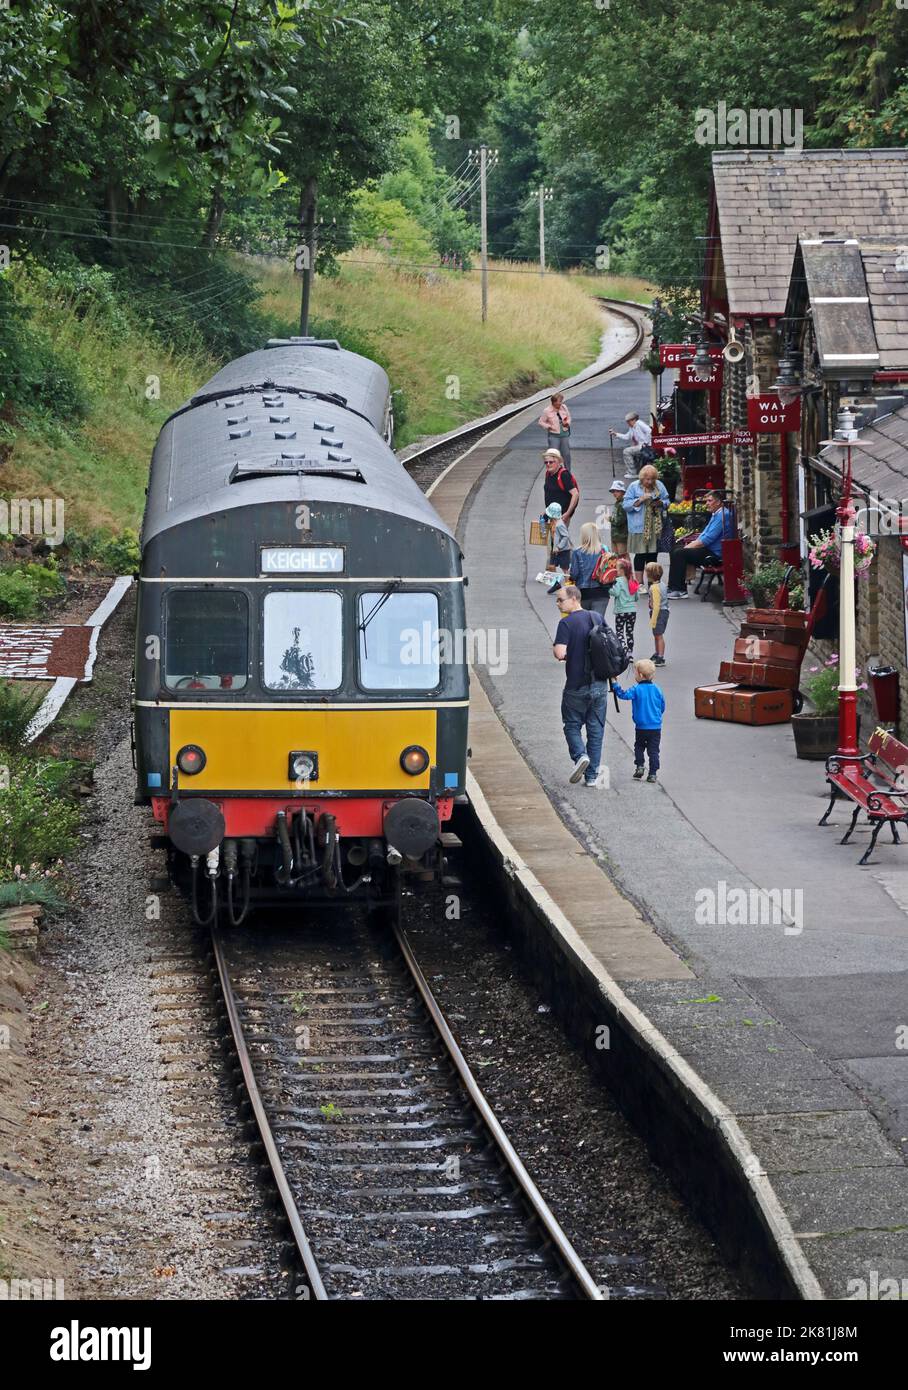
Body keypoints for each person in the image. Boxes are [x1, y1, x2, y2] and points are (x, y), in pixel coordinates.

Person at [552, 585, 608, 788]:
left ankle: (580, 755)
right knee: (596, 729)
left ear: (574, 598)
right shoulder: (596, 617)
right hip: (600, 683)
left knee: (572, 724)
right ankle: (592, 776)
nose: (558, 603)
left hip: (576, 683)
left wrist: (566, 654)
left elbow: (559, 653)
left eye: (560, 600)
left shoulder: (566, 623)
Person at [667, 491, 732, 597]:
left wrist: (688, 547)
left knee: (679, 553)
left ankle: (680, 590)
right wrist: (690, 545)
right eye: (706, 501)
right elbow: (705, 534)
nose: (706, 503)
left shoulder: (722, 516)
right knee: (675, 549)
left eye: (710, 501)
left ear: (719, 502)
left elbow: (706, 540)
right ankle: (673, 587)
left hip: (714, 554)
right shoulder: (718, 514)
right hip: (709, 550)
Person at [614, 658, 665, 784]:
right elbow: (662, 706)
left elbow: (623, 695)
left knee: (639, 746)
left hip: (641, 726)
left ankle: (640, 766)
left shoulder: (636, 689)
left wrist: (615, 683)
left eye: (635, 673)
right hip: (655, 727)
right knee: (654, 750)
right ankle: (653, 773)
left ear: (640, 675)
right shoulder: (657, 689)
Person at [623, 463, 669, 579]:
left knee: (653, 555)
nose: (650, 482)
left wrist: (661, 503)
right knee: (640, 555)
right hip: (639, 527)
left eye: (653, 479)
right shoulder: (634, 486)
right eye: (647, 479)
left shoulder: (659, 485)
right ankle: (639, 583)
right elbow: (626, 505)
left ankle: (652, 581)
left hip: (655, 527)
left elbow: (667, 501)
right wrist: (640, 500)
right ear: (642, 477)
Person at [569, 521, 614, 615]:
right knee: (597, 623)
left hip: (584, 593)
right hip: (602, 592)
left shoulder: (577, 552)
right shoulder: (605, 550)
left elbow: (574, 574)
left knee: (585, 623)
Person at [542, 448, 579, 526]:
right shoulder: (548, 474)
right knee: (552, 537)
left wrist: (567, 514)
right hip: (551, 515)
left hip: (562, 517)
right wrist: (546, 511)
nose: (548, 464)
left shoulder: (564, 475)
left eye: (551, 462)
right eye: (546, 462)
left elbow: (575, 494)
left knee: (560, 537)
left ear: (558, 461)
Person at [610, 411, 652, 477]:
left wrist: (646, 442)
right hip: (640, 446)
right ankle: (636, 470)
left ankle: (632, 472)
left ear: (634, 420)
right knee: (631, 449)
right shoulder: (632, 427)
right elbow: (627, 436)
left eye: (629, 421)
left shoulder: (639, 423)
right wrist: (615, 434)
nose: (628, 423)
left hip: (646, 446)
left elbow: (649, 431)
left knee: (626, 451)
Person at [611, 556, 638, 654]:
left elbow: (616, 593)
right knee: (629, 632)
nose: (615, 570)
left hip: (621, 611)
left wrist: (609, 588)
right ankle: (630, 652)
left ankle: (624, 649)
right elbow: (636, 597)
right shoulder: (632, 580)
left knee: (619, 632)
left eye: (616, 568)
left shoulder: (618, 581)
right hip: (632, 611)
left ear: (622, 570)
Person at [538, 391, 572, 466]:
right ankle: (554, 472)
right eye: (559, 401)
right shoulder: (547, 411)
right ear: (554, 402)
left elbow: (569, 417)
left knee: (566, 455)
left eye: (561, 401)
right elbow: (541, 422)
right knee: (554, 456)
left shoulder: (564, 407)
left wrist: (567, 423)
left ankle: (567, 473)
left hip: (564, 435)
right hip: (554, 436)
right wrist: (549, 426)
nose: (561, 403)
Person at [646, 560, 669, 666]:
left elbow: (656, 606)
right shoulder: (662, 584)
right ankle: (657, 653)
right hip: (664, 611)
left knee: (658, 635)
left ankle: (660, 656)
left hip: (659, 613)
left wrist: (653, 620)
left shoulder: (654, 588)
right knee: (657, 634)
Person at [546, 502, 572, 573]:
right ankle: (555, 581)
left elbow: (566, 536)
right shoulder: (553, 522)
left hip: (563, 550)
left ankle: (569, 582)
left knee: (565, 568)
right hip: (555, 549)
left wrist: (559, 546)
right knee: (551, 566)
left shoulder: (559, 524)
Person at [608, 479, 628, 555]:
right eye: (613, 491)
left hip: (621, 536)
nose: (614, 493)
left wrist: (610, 519)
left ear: (623, 492)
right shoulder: (617, 503)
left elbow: (620, 520)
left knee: (622, 555)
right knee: (615, 556)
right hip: (615, 535)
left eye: (617, 491)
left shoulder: (622, 504)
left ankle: (626, 567)